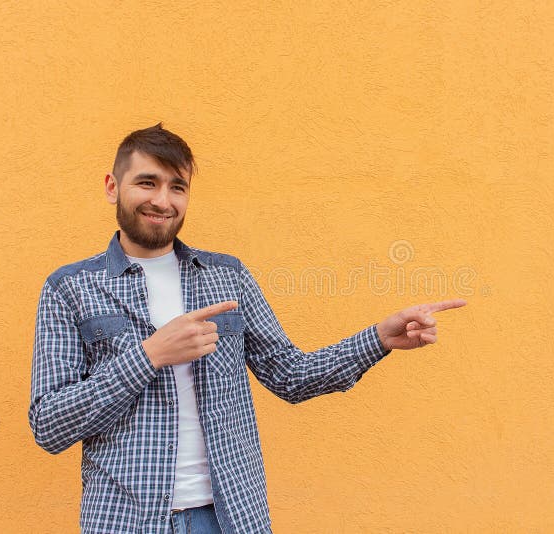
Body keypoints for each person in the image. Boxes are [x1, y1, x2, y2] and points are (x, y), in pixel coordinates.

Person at [29, 123, 466, 534]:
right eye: (147, 182)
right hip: (126, 521)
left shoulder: (227, 277)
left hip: (229, 518)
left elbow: (291, 375)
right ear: (112, 187)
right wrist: (149, 356)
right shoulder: (70, 289)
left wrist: (378, 338)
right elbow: (49, 425)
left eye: (177, 187)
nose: (163, 200)